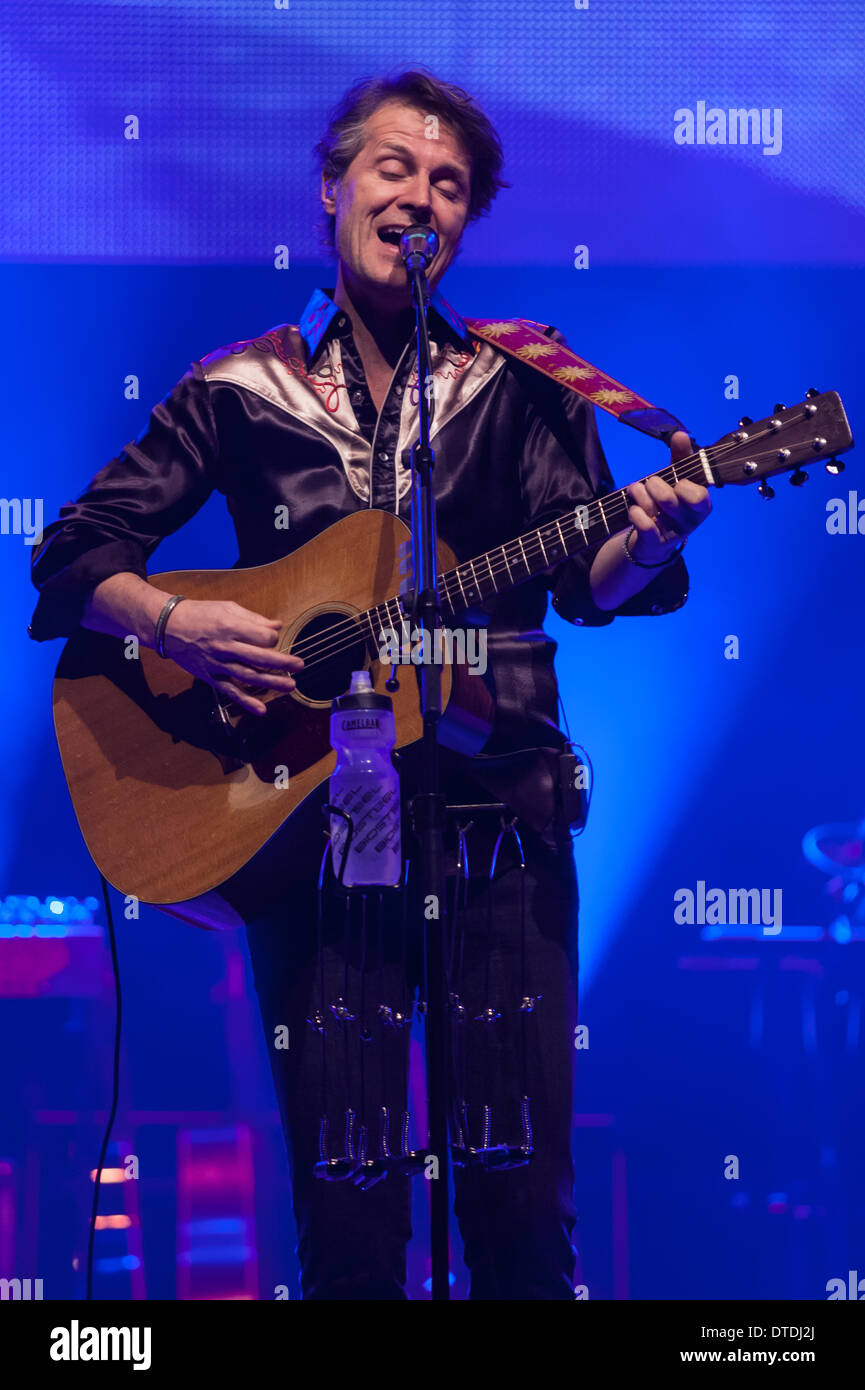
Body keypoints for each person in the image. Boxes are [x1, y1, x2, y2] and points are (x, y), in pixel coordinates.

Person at [29, 69, 711, 1299]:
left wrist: (651, 534)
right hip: (318, 815)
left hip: (497, 804)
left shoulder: (525, 379)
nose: (420, 196)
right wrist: (177, 623)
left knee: (516, 1201)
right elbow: (77, 553)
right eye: (395, 168)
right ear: (332, 191)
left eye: (449, 183)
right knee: (345, 1211)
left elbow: (589, 585)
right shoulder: (242, 387)